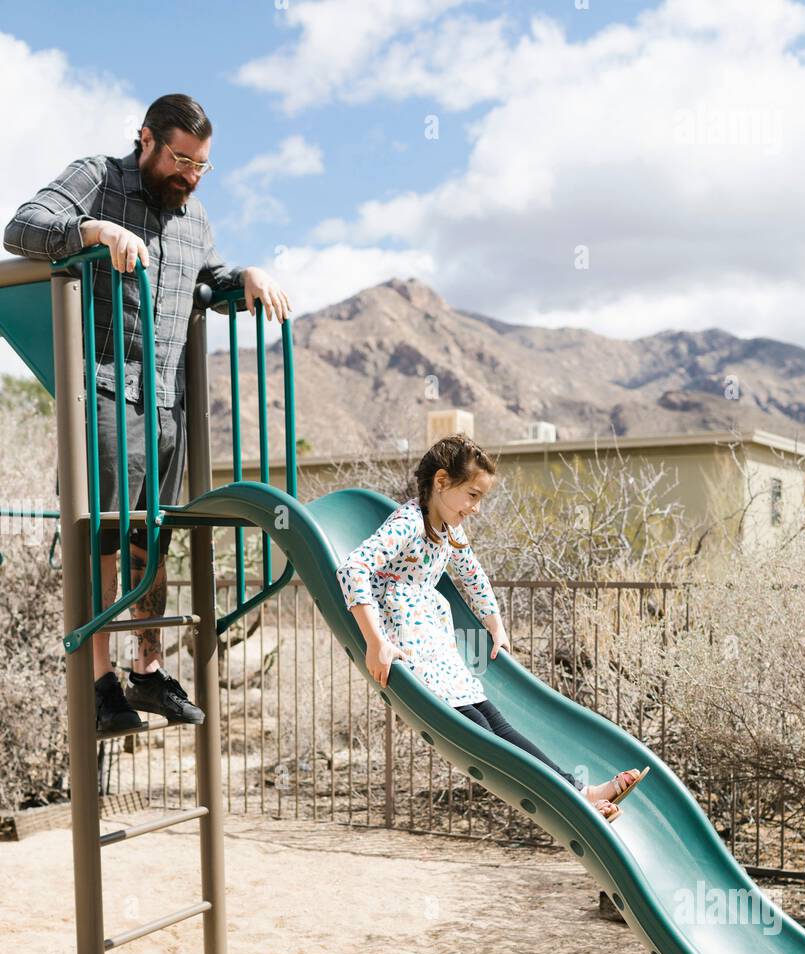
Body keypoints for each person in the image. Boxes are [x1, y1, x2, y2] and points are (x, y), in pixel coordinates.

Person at [3, 93, 292, 733]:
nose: (190, 175)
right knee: (103, 533)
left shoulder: (193, 219)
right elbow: (20, 227)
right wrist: (91, 231)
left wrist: (244, 274)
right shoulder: (99, 179)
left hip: (166, 405)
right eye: (181, 160)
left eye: (202, 165)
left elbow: (205, 277)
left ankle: (148, 670)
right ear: (147, 141)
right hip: (102, 387)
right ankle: (99, 679)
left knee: (150, 535)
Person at [335, 434, 646, 820]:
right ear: (442, 482)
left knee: (494, 721)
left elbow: (473, 577)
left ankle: (579, 791)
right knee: (480, 733)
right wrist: (374, 641)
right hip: (405, 640)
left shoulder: (450, 531)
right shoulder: (407, 523)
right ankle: (572, 802)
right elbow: (353, 567)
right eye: (473, 495)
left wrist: (495, 625)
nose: (476, 508)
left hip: (434, 642)